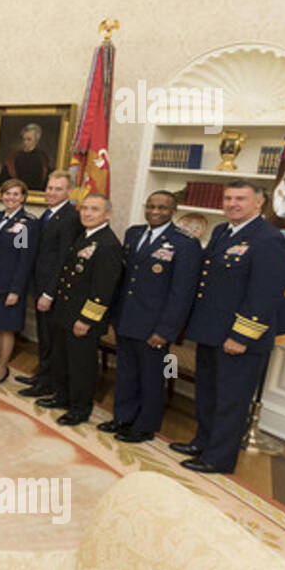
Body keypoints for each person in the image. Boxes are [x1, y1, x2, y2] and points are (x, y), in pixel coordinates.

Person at [172, 181, 285, 474]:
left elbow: (265, 295)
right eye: (228, 198)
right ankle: (203, 443)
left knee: (231, 401)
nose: (232, 204)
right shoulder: (222, 231)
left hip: (239, 338)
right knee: (209, 394)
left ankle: (219, 458)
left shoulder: (268, 239)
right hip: (211, 331)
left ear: (259, 203)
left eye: (240, 198)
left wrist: (241, 336)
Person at [99, 190, 200, 443]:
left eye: (162, 208)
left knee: (152, 377)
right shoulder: (134, 234)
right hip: (127, 318)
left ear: (173, 211)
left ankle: (145, 425)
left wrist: (166, 330)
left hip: (154, 326)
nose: (155, 212)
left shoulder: (185, 243)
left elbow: (182, 294)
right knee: (125, 373)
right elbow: (126, 279)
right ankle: (122, 417)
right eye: (151, 206)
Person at [36, 192, 124, 426]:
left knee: (81, 366)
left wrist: (87, 319)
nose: (87, 213)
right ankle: (62, 397)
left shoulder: (107, 244)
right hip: (65, 312)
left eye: (94, 209)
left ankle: (79, 409)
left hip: (83, 318)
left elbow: (103, 290)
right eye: (84, 208)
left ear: (107, 214)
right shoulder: (84, 237)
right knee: (62, 359)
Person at [18, 170, 82, 396]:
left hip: (50, 291)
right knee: (44, 337)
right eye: (49, 188)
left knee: (51, 340)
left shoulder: (70, 218)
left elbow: (64, 260)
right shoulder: (49, 214)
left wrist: (49, 293)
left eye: (58, 189)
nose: (51, 193)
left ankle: (46, 384)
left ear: (69, 191)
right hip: (40, 285)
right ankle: (41, 376)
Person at [0, 179, 38, 386]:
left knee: (7, 329)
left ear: (23, 197)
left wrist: (16, 289)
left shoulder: (24, 224)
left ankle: (2, 369)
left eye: (15, 194)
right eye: (7, 193)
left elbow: (24, 260)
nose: (10, 198)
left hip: (10, 286)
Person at [0, 122, 54, 192]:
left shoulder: (43, 158)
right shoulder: (13, 157)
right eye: (24, 139)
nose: (25, 142)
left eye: (29, 139)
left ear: (36, 140)